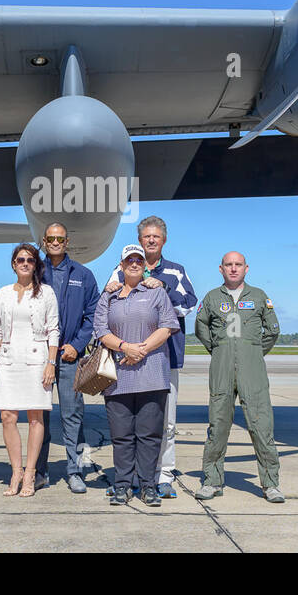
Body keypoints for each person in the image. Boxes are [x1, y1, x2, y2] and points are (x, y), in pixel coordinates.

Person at [104, 216, 195, 499]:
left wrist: (160, 291)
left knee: (164, 422)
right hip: (124, 358)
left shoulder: (176, 272)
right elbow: (105, 306)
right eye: (146, 236)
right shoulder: (120, 271)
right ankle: (131, 476)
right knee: (129, 423)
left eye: (156, 236)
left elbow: (189, 305)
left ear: (163, 240)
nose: (151, 240)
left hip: (163, 358)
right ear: (139, 240)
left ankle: (163, 474)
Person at [193, 251, 285, 503]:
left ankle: (271, 484)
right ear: (221, 269)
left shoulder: (258, 296)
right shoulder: (212, 298)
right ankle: (212, 481)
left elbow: (273, 330)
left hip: (252, 368)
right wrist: (220, 348)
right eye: (228, 265)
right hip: (221, 368)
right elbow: (200, 327)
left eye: (238, 265)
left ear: (246, 269)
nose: (233, 269)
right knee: (218, 423)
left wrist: (252, 350)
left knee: (260, 423)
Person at [93, 243, 179, 507]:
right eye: (129, 260)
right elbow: (100, 330)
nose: (134, 264)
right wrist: (124, 347)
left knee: (149, 435)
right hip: (118, 378)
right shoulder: (109, 296)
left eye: (138, 261)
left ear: (144, 266)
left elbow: (167, 327)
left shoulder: (156, 293)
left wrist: (140, 350)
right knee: (121, 436)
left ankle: (147, 486)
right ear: (121, 266)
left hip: (152, 375)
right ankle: (122, 485)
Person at [0, 243, 59, 497]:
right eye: (20, 259)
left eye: (30, 259)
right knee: (7, 416)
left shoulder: (46, 293)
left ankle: (30, 474)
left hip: (36, 360)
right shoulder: (3, 293)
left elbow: (54, 330)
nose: (25, 263)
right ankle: (15, 471)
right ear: (13, 264)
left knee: (35, 418)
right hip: (8, 360)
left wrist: (51, 363)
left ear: (35, 264)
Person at [34, 222, 100, 494]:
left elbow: (93, 315)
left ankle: (75, 471)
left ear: (67, 241)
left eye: (60, 238)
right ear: (44, 240)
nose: (55, 242)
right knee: (40, 415)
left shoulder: (83, 275)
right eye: (51, 238)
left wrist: (77, 344)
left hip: (70, 356)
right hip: (40, 356)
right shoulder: (35, 272)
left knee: (72, 414)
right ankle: (39, 471)